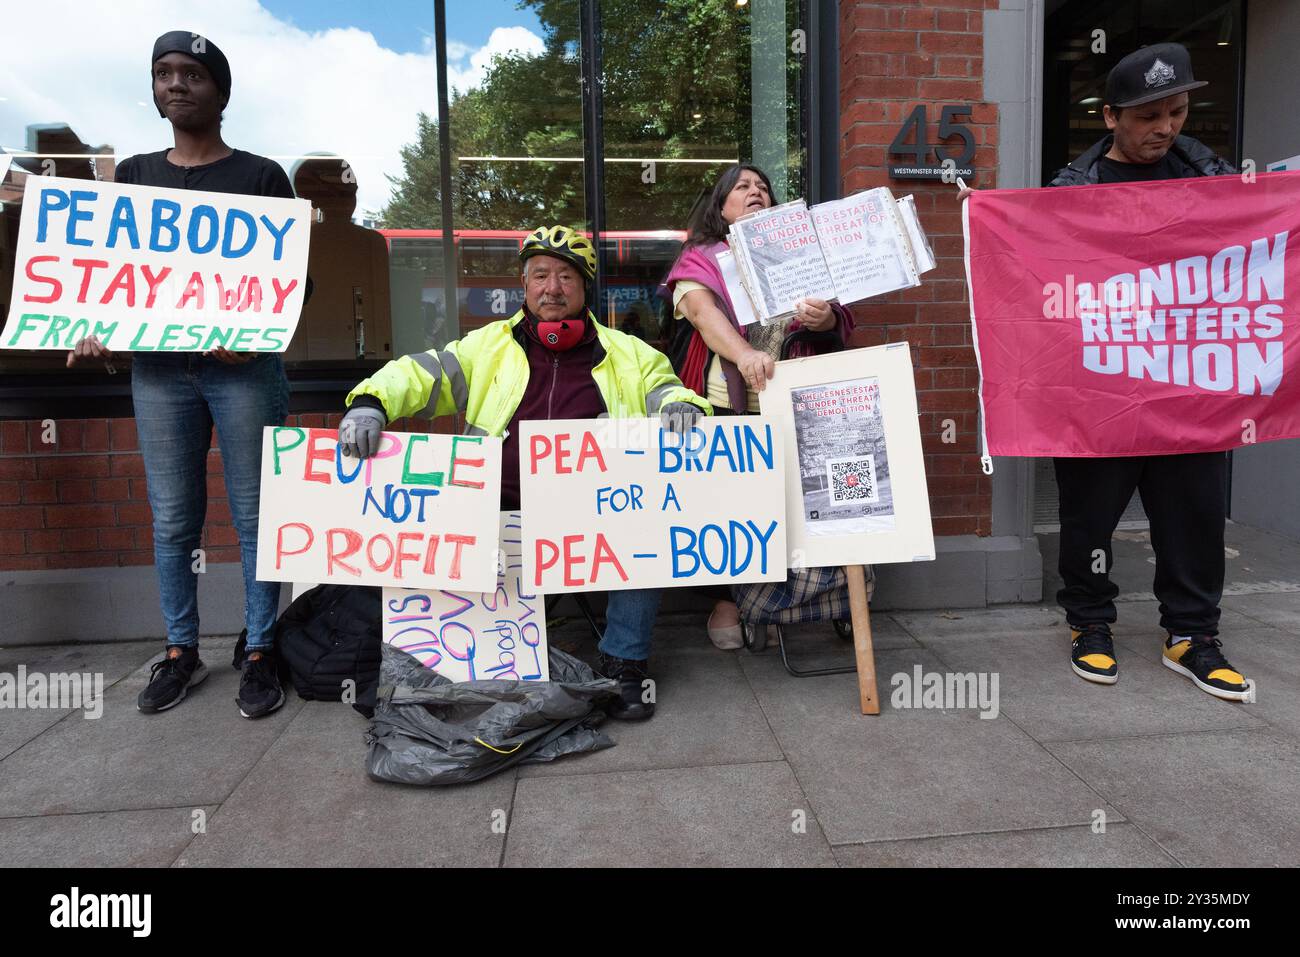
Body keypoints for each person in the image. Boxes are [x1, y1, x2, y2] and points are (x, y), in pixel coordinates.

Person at [962, 42, 1249, 701]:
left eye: (1176, 112)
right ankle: (1090, 622)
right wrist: (992, 222)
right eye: (1149, 117)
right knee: (1089, 519)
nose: (1167, 128)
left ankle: (1193, 635)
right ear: (1111, 117)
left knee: (1195, 516)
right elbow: (1034, 284)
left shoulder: (1218, 183)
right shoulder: (1073, 193)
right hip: (1100, 388)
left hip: (1190, 385)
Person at [337, 224, 711, 720]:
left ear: (584, 290)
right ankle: (450, 658)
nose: (551, 288)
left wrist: (683, 407)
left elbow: (665, 388)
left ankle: (624, 663)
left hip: (594, 513)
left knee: (644, 529)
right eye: (539, 275)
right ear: (524, 284)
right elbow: (422, 373)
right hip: (496, 507)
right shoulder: (486, 345)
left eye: (565, 277)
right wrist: (369, 402)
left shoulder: (628, 352)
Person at [67, 31, 305, 718]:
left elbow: (298, 282)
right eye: (164, 73)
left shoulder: (262, 177)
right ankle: (180, 649)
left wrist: (254, 334)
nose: (177, 84)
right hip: (160, 373)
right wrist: (92, 325)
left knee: (258, 515)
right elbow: (111, 278)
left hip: (243, 373)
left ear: (220, 92)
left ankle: (260, 649)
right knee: (173, 519)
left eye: (194, 74)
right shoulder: (134, 176)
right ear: (153, 89)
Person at [663, 164, 853, 648]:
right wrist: (745, 354)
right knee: (730, 510)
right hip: (731, 401)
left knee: (801, 499)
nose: (755, 193)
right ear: (721, 206)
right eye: (742, 187)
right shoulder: (700, 258)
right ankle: (731, 600)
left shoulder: (801, 253)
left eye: (763, 188)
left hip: (800, 401)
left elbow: (843, 318)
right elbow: (703, 315)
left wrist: (826, 315)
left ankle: (817, 594)